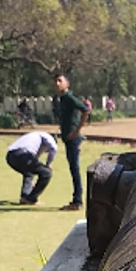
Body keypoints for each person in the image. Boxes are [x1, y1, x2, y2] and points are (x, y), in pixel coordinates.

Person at [54, 72, 89, 211]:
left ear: (67, 84)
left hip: (73, 139)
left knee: (75, 169)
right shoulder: (61, 99)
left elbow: (85, 110)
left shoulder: (69, 98)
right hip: (67, 139)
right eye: (55, 81)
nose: (57, 83)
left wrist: (76, 131)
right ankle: (76, 200)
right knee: (73, 169)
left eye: (60, 80)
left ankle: (77, 201)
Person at [6, 131, 58, 205]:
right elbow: (53, 148)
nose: (46, 151)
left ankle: (25, 197)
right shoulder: (49, 138)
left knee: (29, 173)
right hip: (23, 155)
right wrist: (48, 164)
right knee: (47, 173)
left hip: (10, 156)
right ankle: (31, 199)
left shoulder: (33, 136)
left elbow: (34, 160)